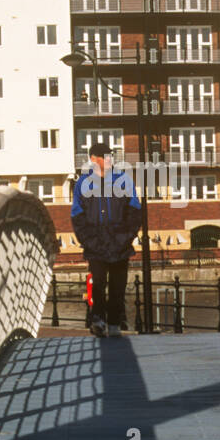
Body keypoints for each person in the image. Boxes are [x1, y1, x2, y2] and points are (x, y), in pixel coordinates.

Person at [71, 141, 142, 337]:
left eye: (110, 156)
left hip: (120, 244)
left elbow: (135, 211)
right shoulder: (82, 184)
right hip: (96, 245)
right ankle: (98, 319)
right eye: (105, 156)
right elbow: (77, 215)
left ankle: (113, 323)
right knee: (99, 284)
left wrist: (126, 237)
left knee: (118, 286)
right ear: (93, 159)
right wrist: (89, 240)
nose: (110, 159)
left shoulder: (124, 180)